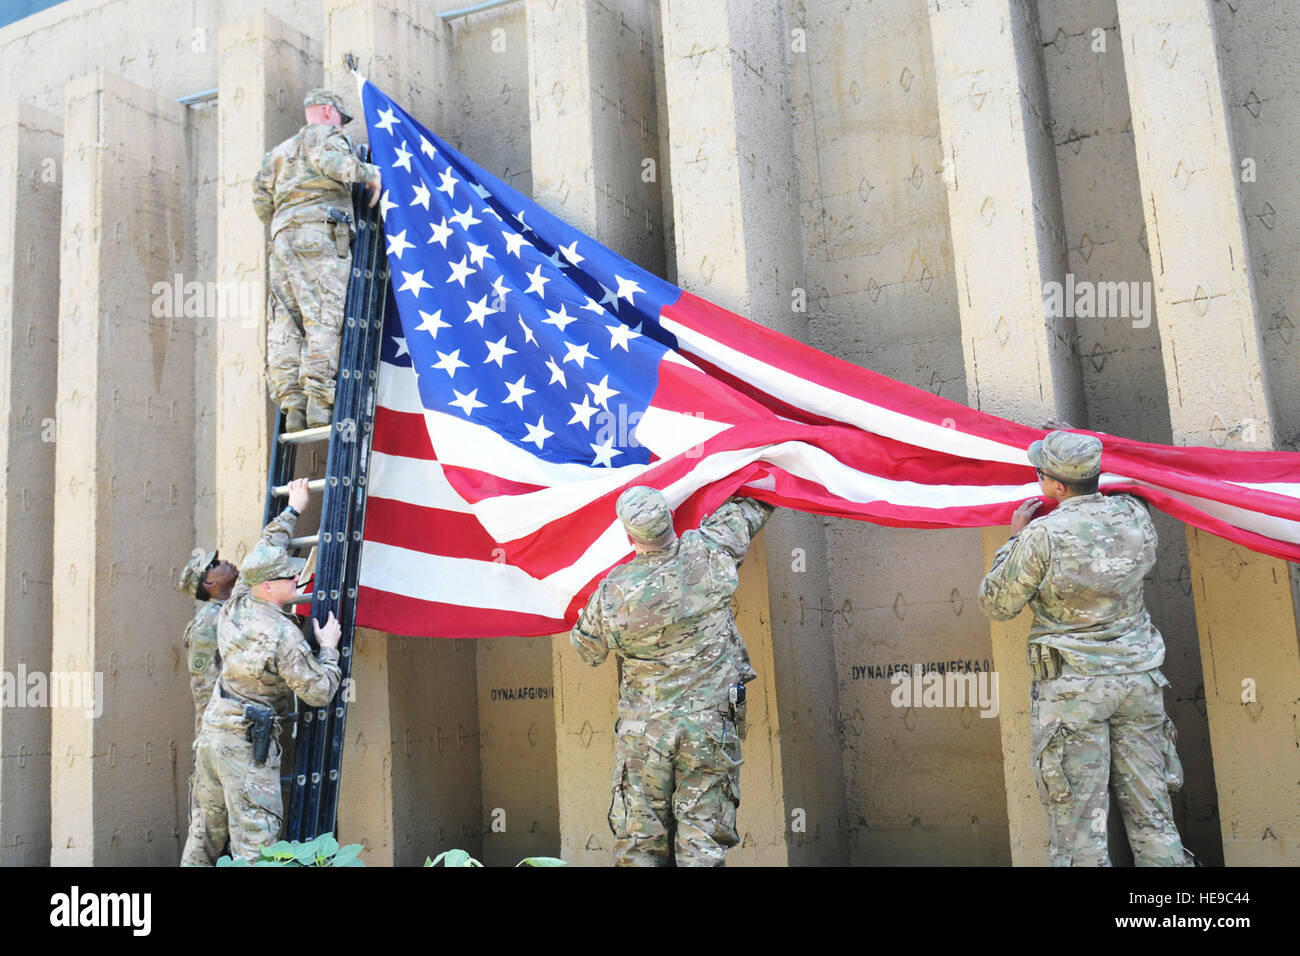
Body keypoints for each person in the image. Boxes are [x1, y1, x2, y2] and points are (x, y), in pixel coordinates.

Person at [978, 430, 1191, 866]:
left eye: (1041, 474)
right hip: (1139, 682)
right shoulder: (1134, 516)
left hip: (1075, 690)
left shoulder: (1042, 535)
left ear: (1056, 486)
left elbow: (996, 603)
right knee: (1154, 819)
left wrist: (1015, 539)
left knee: (1078, 829)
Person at [570, 486, 774, 866]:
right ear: (670, 517)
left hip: (646, 735)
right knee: (703, 839)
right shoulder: (711, 549)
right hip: (710, 728)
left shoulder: (615, 591)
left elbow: (588, 650)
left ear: (629, 535)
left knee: (640, 843)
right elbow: (758, 502)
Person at [180, 478, 342, 865]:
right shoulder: (282, 635)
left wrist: (294, 507)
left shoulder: (236, 600)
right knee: (257, 844)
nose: (298, 579)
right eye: (289, 576)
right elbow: (318, 692)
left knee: (204, 834)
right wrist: (330, 650)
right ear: (268, 586)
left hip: (215, 738)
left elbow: (267, 545)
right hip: (243, 746)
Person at [252, 88, 382, 432]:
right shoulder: (325, 134)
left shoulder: (277, 153)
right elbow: (334, 163)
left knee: (286, 320)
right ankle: (319, 400)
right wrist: (369, 173)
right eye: (341, 117)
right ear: (327, 110)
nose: (343, 124)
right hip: (319, 232)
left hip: (281, 238)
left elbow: (261, 206)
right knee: (324, 311)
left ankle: (291, 405)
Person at [177, 548, 239, 739]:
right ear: (209, 583)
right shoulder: (207, 623)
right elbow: (204, 684)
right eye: (214, 564)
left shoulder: (234, 609)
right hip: (223, 730)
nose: (224, 562)